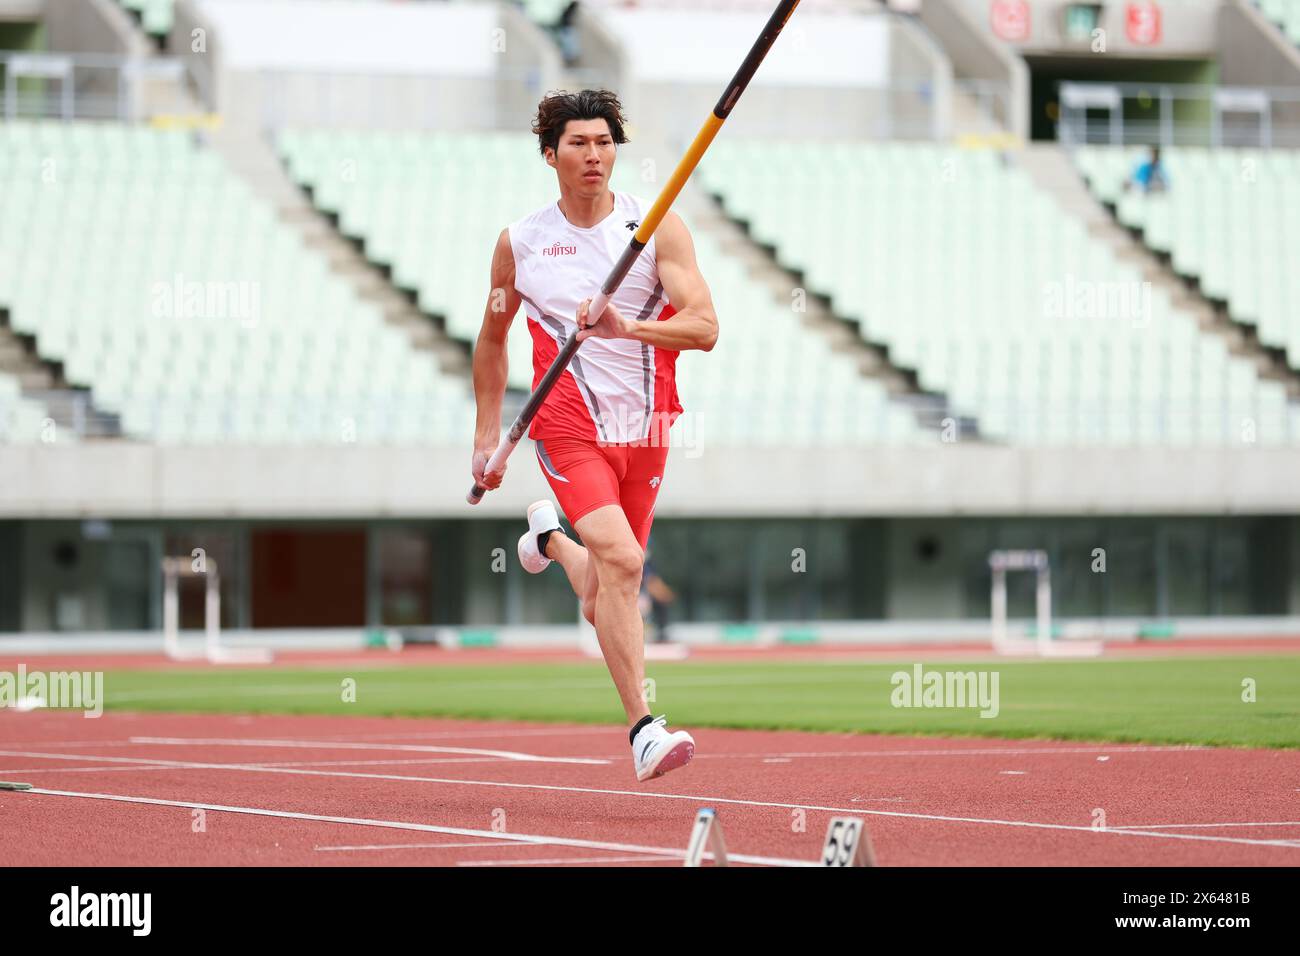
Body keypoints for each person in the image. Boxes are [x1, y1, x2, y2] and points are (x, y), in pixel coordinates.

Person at [470, 89, 718, 782]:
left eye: (605, 143)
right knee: (626, 563)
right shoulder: (519, 245)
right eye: (578, 143)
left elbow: (705, 327)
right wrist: (486, 434)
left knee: (603, 587)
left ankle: (550, 541)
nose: (594, 155)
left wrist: (625, 326)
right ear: (550, 155)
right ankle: (643, 729)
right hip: (567, 427)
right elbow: (492, 338)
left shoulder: (657, 227)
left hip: (647, 427)